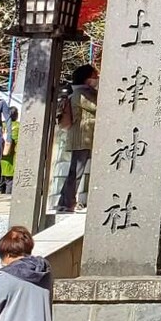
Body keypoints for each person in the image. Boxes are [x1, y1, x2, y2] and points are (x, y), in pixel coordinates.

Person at [56, 66, 97, 214]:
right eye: (94, 75)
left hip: (81, 137)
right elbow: (97, 107)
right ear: (86, 78)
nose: (96, 78)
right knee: (76, 172)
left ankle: (64, 202)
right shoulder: (81, 93)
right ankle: (67, 204)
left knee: (74, 172)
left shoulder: (80, 91)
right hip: (81, 137)